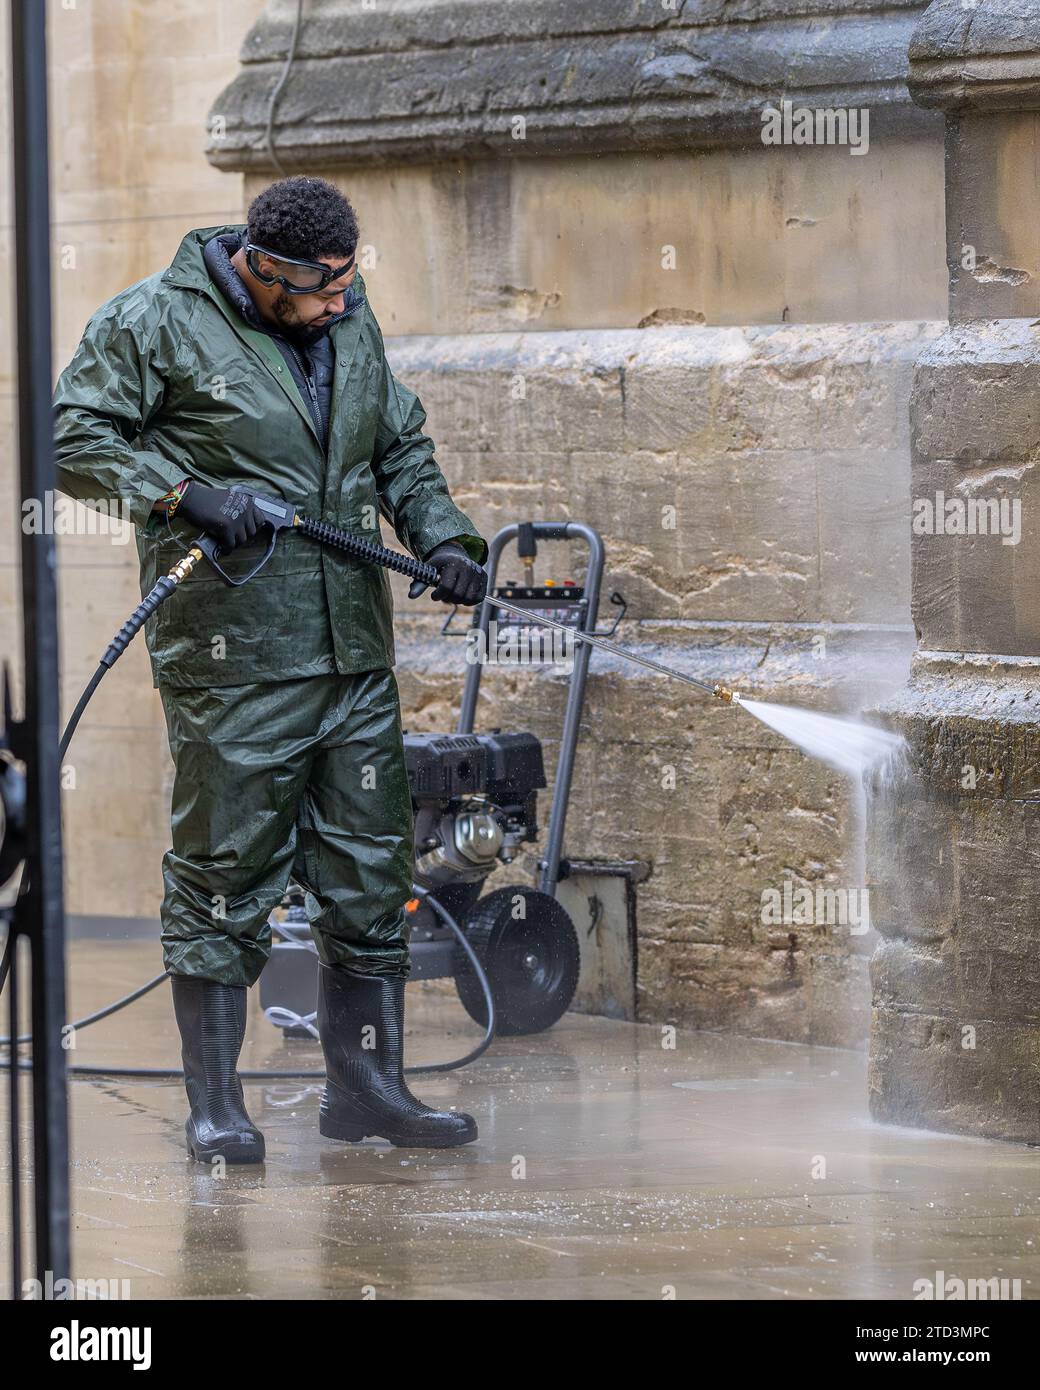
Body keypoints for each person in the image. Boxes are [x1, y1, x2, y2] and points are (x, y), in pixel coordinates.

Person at [54, 176, 488, 1161]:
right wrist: (182, 494)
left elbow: (396, 446)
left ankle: (368, 1088)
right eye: (320, 286)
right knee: (223, 877)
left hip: (352, 657)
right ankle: (216, 1106)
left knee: (371, 871)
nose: (339, 302)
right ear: (260, 266)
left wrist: (444, 536)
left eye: (347, 281)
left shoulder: (347, 317)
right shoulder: (153, 323)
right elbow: (73, 438)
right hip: (237, 657)